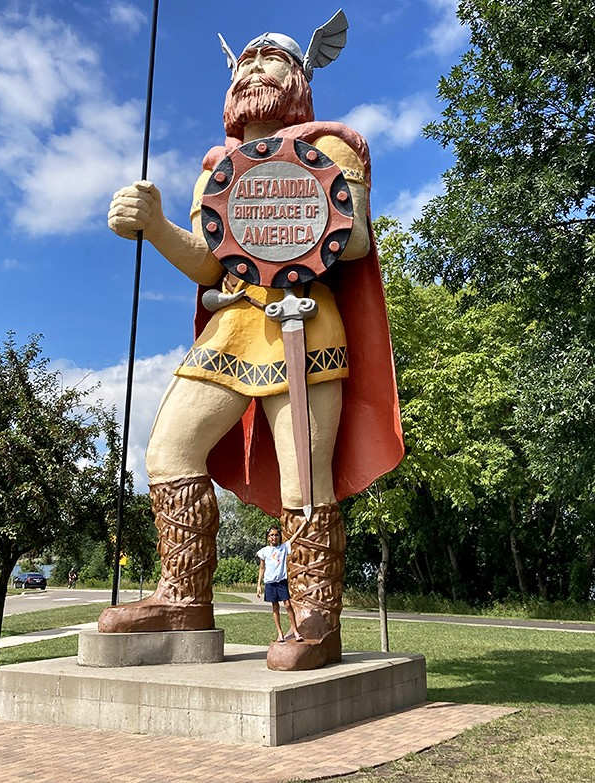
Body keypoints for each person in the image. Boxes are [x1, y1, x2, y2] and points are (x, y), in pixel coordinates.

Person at [98, 14, 404, 671]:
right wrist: (155, 225)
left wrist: (302, 207)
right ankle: (183, 597)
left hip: (304, 323)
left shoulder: (333, 144)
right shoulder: (216, 167)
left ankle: (316, 617)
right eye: (244, 61)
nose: (253, 69)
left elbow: (354, 240)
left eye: (270, 60)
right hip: (234, 324)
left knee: (305, 476)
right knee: (169, 449)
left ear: (301, 77)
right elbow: (210, 264)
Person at [257, 524, 307, 643]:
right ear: (268, 537)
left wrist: (305, 523)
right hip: (270, 583)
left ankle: (295, 631)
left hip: (281, 582)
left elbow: (296, 535)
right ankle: (280, 633)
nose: (274, 537)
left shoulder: (284, 547)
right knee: (275, 607)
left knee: (288, 605)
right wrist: (258, 585)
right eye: (271, 535)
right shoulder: (264, 551)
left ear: (280, 536)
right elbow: (262, 568)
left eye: (276, 535)